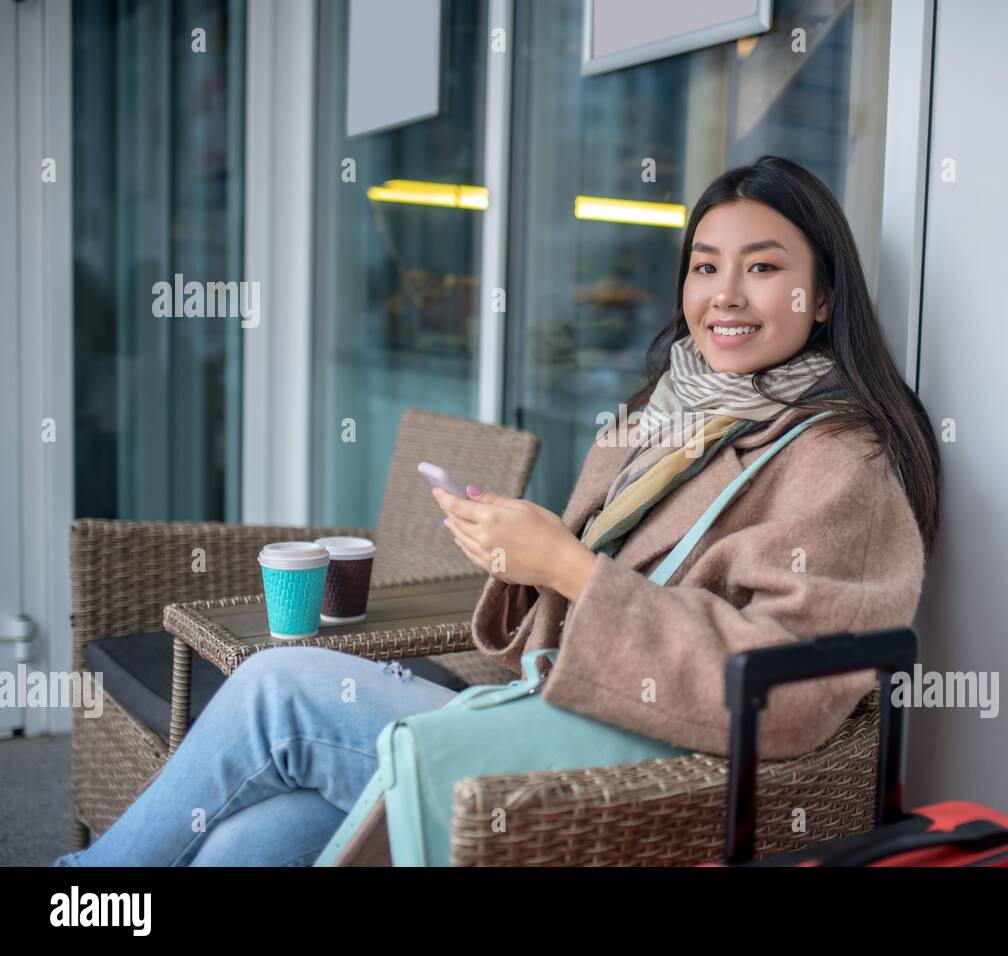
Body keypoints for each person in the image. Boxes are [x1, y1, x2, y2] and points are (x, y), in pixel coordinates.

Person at [54, 155, 940, 866]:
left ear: (822, 296)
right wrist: (523, 560)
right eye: (706, 267)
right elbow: (557, 646)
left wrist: (567, 567)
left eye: (763, 268)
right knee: (254, 836)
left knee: (276, 688)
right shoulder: (660, 417)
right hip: (561, 715)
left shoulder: (840, 461)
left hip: (669, 772)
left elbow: (794, 697)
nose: (726, 295)